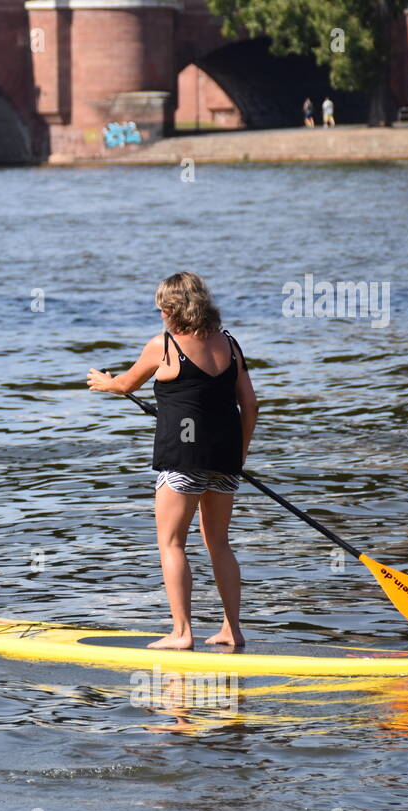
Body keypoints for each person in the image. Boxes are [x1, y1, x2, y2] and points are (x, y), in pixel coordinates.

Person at [86, 272, 259, 650]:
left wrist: (104, 382)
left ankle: (182, 633)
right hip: (224, 456)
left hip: (183, 458)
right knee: (219, 543)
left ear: (172, 308)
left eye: (161, 308)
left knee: (171, 543)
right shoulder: (229, 344)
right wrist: (240, 452)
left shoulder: (164, 345)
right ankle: (233, 630)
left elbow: (127, 384)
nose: (159, 314)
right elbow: (250, 404)